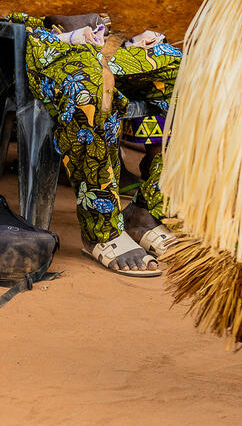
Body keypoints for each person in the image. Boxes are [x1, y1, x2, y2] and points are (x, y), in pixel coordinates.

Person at [20, 20, 180, 275]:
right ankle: (101, 230)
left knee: (200, 77)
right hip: (57, 42)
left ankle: (146, 211)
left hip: (119, 42)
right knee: (88, 92)